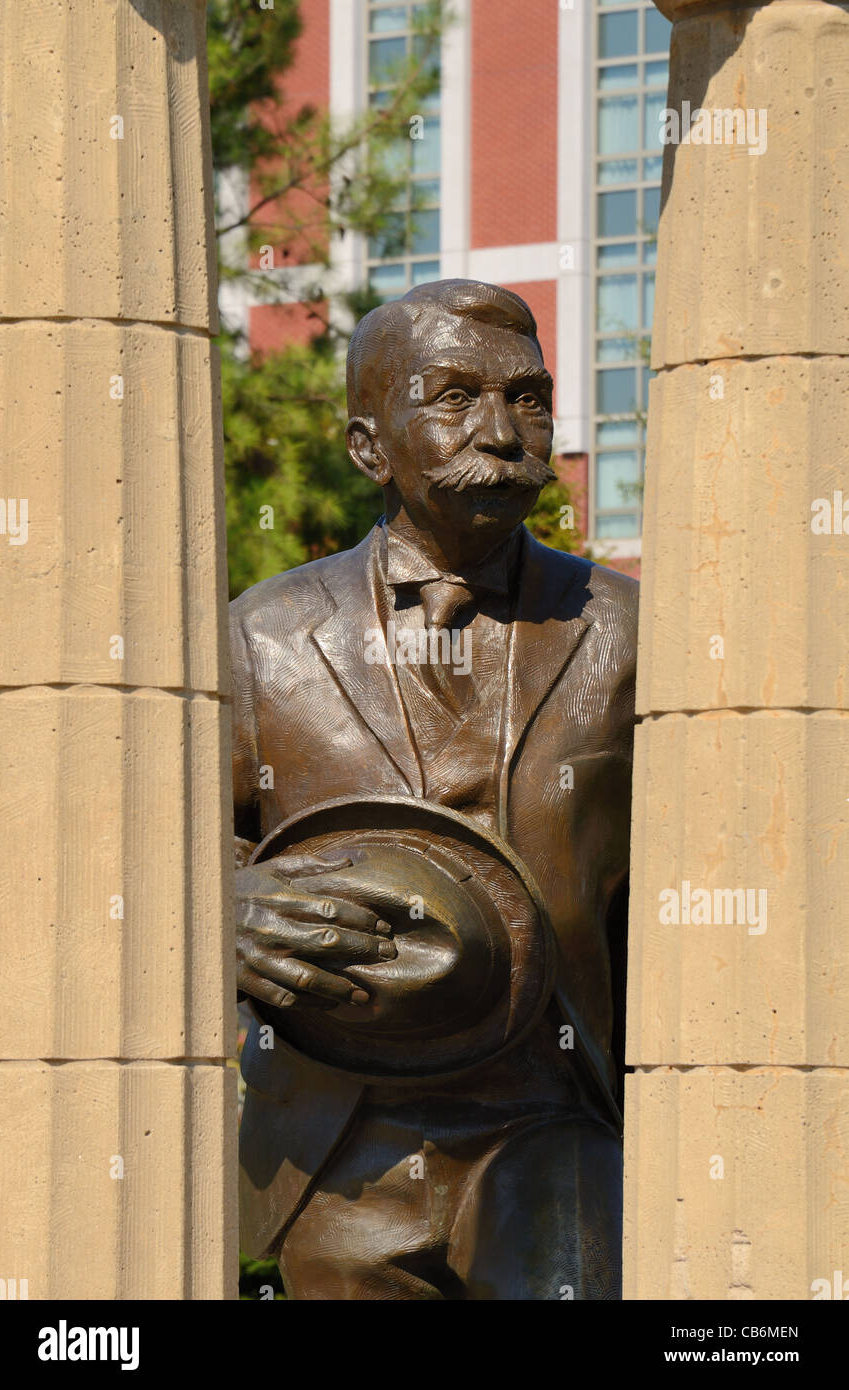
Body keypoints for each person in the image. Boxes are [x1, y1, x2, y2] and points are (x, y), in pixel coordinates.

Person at [231, 279, 637, 1299]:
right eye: (454, 396)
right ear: (370, 446)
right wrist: (219, 902)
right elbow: (151, 843)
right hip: (342, 1132)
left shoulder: (633, 632)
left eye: (530, 398)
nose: (503, 432)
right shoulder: (261, 635)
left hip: (561, 1111)